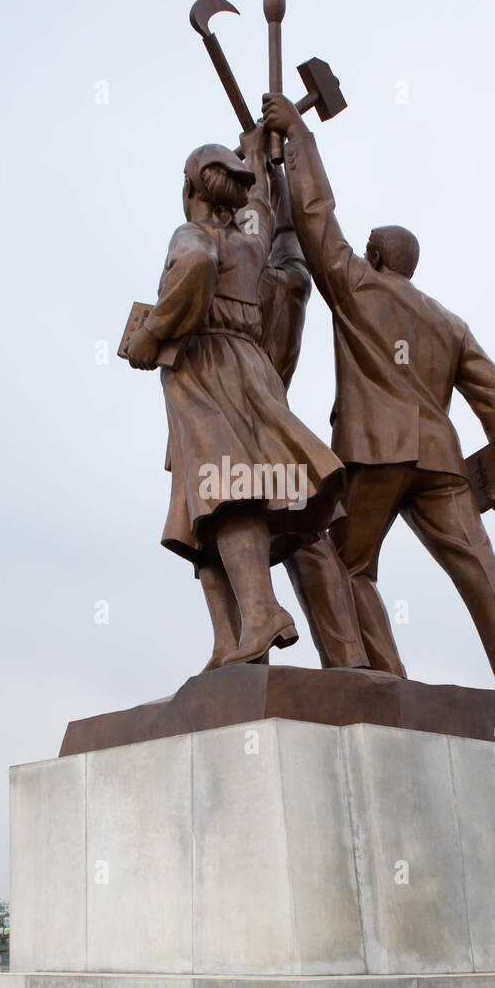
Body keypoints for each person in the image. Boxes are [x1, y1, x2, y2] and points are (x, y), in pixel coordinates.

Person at [260, 92, 495, 701]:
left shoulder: (359, 286)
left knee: (340, 561)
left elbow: (315, 217)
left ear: (374, 255)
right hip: (441, 460)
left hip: (377, 452)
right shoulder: (448, 322)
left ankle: (381, 677)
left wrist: (298, 145)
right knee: (478, 561)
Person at [125, 125, 346, 667]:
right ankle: (228, 640)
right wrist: (257, 159)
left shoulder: (191, 234)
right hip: (247, 367)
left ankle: (263, 611)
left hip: (206, 367)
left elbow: (197, 266)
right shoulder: (251, 239)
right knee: (201, 510)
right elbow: (263, 212)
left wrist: (152, 335)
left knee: (226, 494)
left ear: (191, 188)